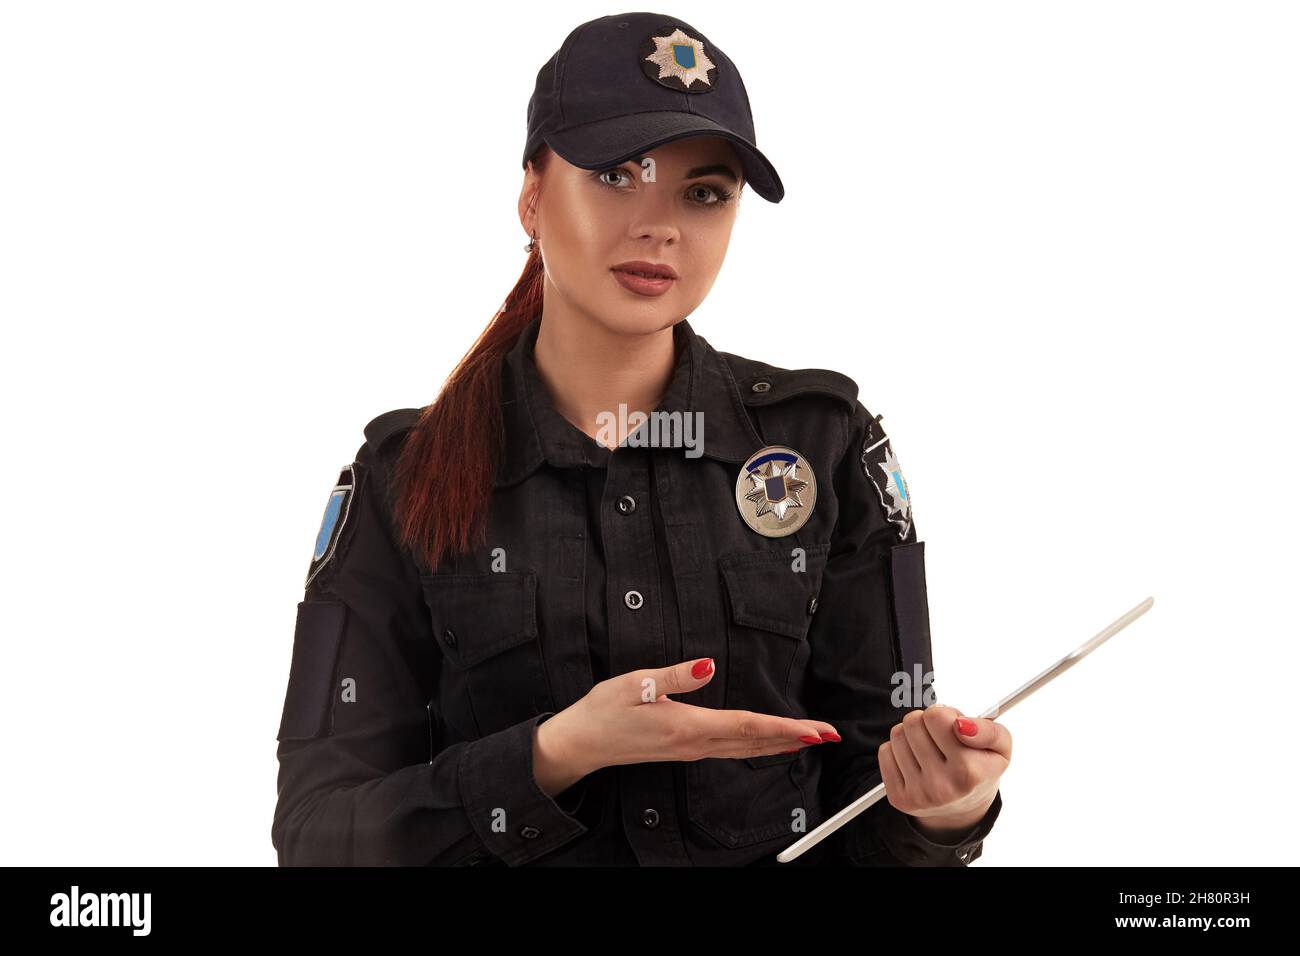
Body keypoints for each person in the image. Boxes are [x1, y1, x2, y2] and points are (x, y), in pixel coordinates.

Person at [272, 11, 1011, 867]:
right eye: (618, 175)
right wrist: (558, 752)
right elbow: (317, 838)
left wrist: (948, 811)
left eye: (704, 193)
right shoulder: (405, 476)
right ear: (532, 195)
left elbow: (875, 806)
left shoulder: (826, 444)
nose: (661, 225)